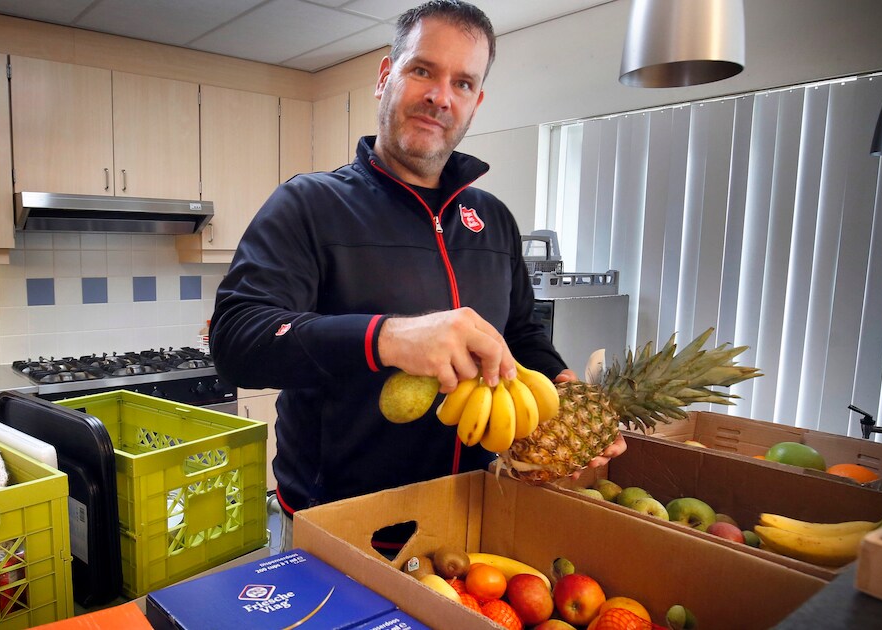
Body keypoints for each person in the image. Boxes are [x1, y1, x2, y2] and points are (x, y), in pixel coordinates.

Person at [210, 0, 625, 547]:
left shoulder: (493, 219)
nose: (439, 96)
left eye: (462, 82)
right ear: (387, 77)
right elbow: (237, 339)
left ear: (477, 101)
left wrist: (565, 391)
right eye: (423, 70)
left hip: (473, 517)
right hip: (343, 526)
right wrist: (387, 338)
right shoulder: (307, 204)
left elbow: (521, 332)